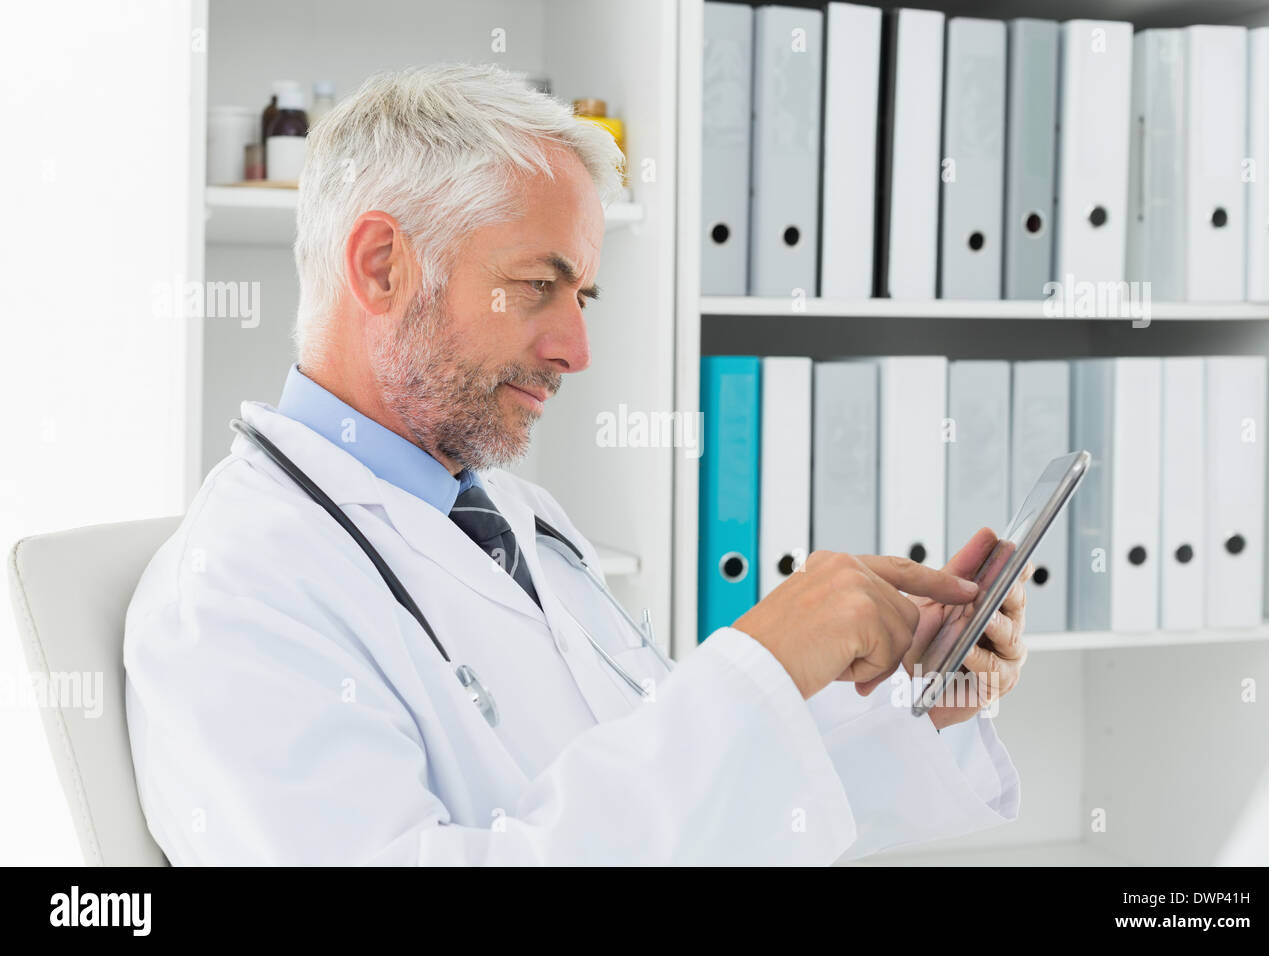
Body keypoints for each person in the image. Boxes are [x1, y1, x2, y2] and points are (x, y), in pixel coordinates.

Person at [124, 64, 1029, 865]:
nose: (575, 348)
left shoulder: (518, 519)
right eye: (537, 286)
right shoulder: (232, 596)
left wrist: (915, 700)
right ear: (381, 266)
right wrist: (758, 663)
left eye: (583, 294)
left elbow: (701, 809)